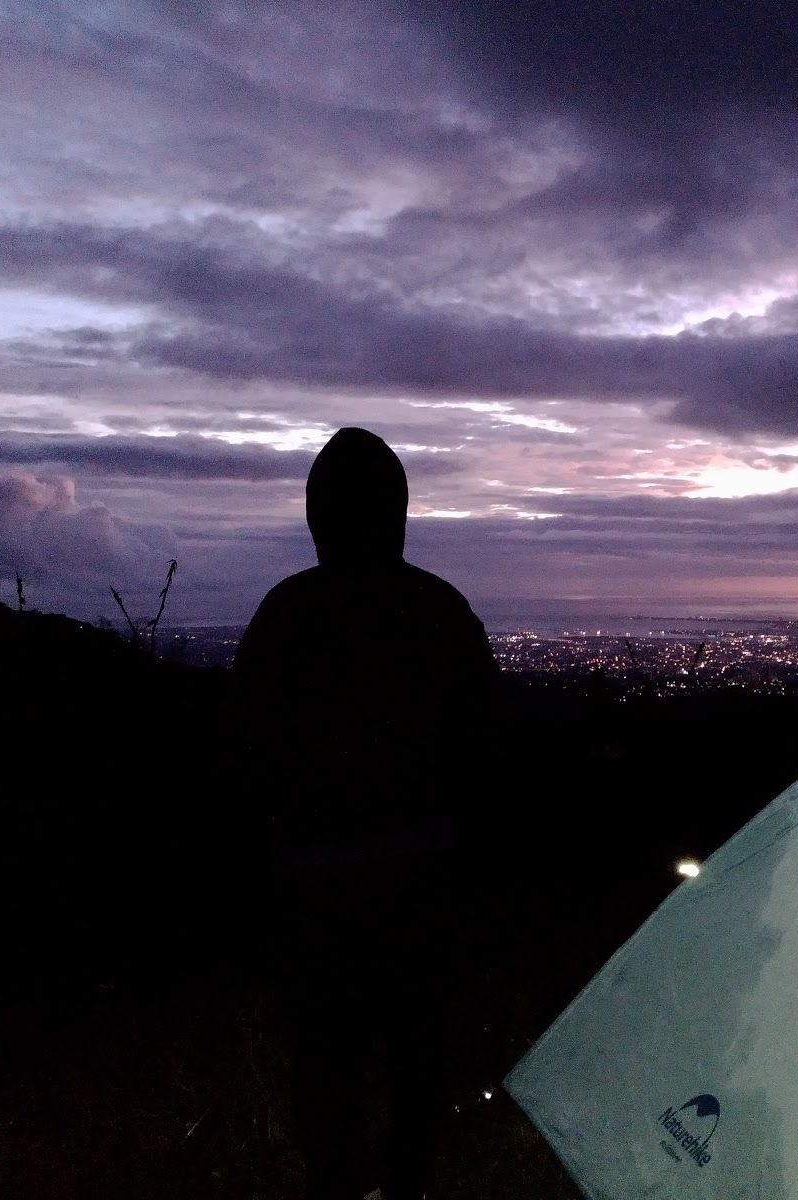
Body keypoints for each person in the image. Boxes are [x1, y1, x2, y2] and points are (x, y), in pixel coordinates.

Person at [234, 427, 502, 1200]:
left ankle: (339, 1185)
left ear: (317, 514)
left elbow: (244, 756)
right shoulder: (439, 609)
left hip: (311, 888)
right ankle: (406, 1184)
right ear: (398, 512)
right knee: (418, 1060)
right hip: (422, 880)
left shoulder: (286, 612)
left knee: (327, 1069)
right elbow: (485, 751)